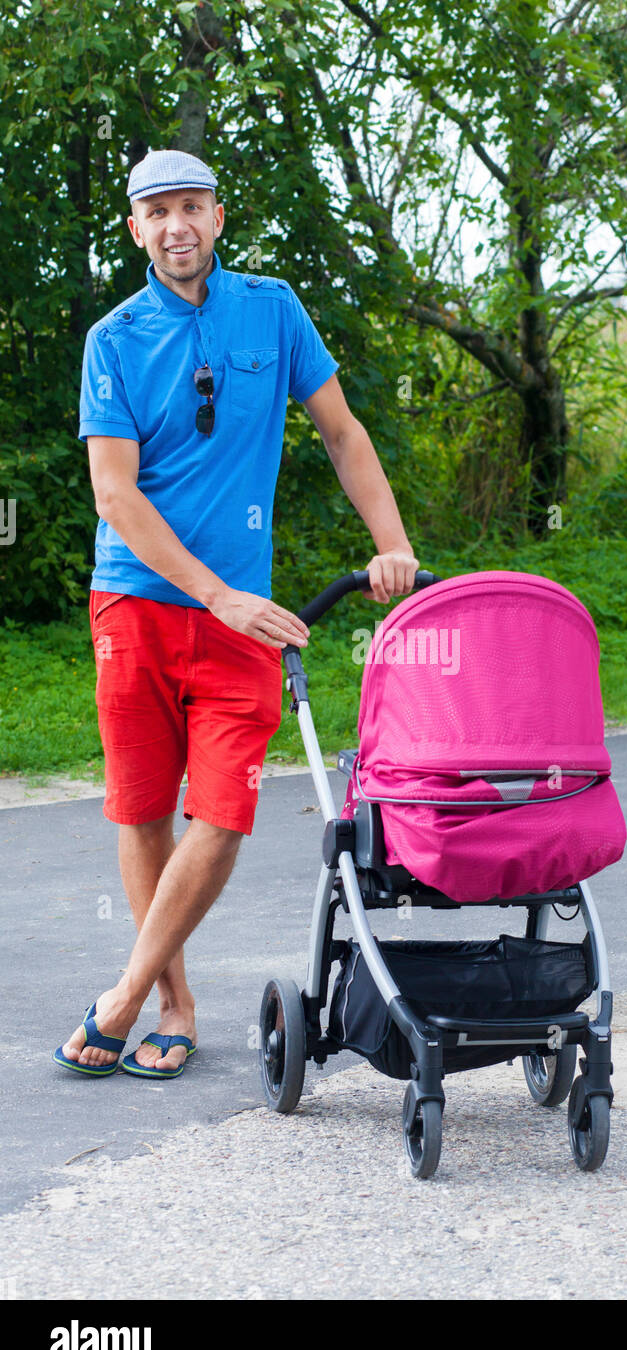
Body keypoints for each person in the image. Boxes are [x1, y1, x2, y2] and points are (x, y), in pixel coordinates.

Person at [54, 149, 419, 1079]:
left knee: (221, 812)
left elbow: (342, 431)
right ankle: (173, 1004)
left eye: (191, 207)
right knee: (143, 815)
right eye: (157, 212)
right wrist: (215, 593)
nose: (176, 225)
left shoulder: (273, 309)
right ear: (136, 230)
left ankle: (123, 998)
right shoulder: (115, 340)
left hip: (243, 623)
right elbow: (115, 495)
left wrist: (393, 542)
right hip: (135, 606)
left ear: (218, 216)